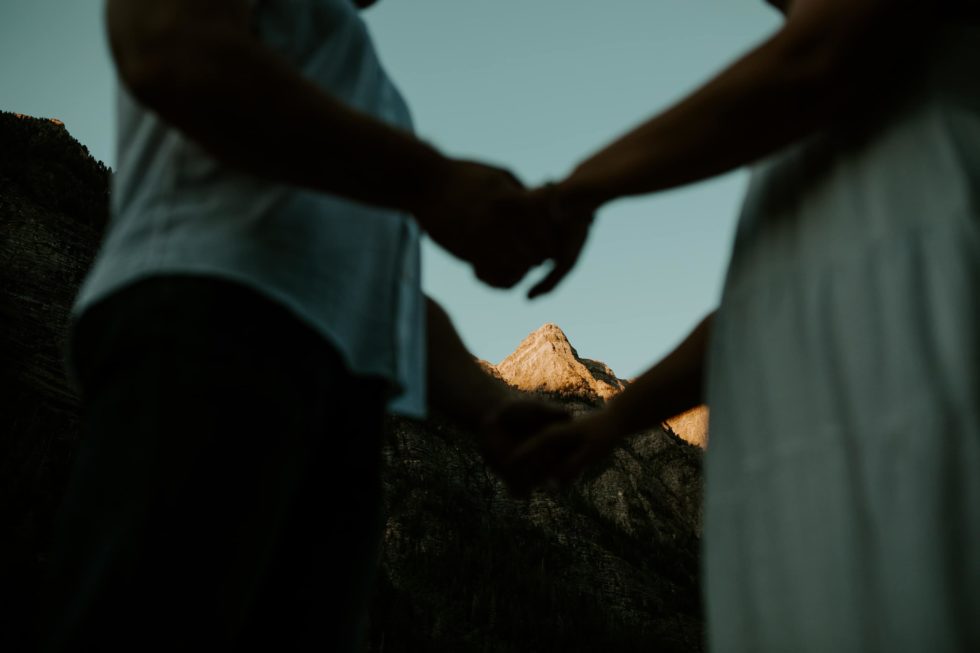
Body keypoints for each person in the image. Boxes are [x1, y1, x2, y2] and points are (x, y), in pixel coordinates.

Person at [40, 0, 576, 650]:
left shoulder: (368, 85)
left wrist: (490, 402)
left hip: (339, 407)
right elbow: (167, 49)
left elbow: (378, 289)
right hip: (209, 333)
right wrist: (431, 179)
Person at [509, 0, 980, 650]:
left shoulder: (836, 61)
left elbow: (815, 62)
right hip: (815, 479)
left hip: (930, 369)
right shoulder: (804, 137)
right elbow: (759, 308)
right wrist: (610, 424)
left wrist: (575, 192)